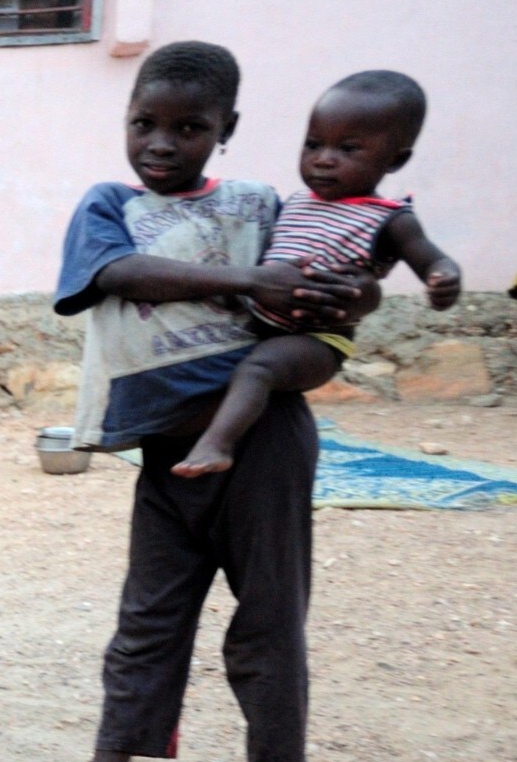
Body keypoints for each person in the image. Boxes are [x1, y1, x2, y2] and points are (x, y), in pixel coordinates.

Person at [17, 41, 379, 762]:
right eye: (144, 122)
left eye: (189, 127)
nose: (160, 142)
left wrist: (362, 288)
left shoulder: (262, 207)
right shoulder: (108, 204)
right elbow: (119, 275)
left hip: (266, 444)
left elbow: (334, 272)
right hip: (165, 456)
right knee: (146, 617)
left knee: (270, 616)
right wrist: (249, 284)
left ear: (227, 129)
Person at [173, 71, 461, 478]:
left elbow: (431, 260)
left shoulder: (389, 219)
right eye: (313, 144)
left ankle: (216, 444)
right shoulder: (295, 203)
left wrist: (443, 278)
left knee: (259, 369)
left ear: (395, 159)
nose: (323, 159)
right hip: (260, 319)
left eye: (348, 149)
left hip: (317, 338)